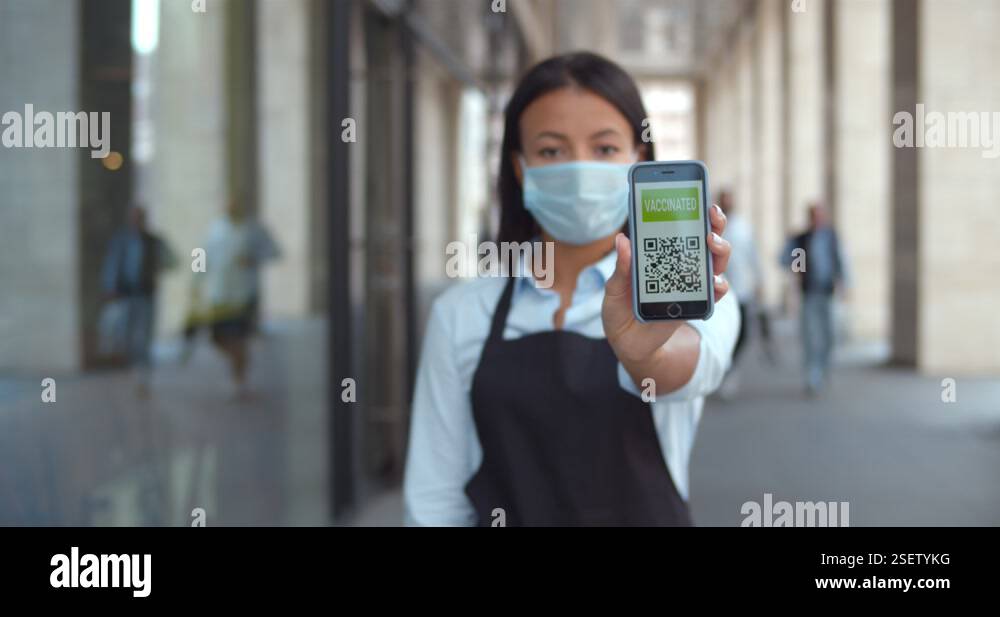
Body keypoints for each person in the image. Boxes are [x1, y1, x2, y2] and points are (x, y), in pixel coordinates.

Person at [403, 52, 740, 526]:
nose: (579, 169)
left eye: (604, 149)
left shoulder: (701, 297)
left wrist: (644, 355)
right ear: (520, 169)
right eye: (551, 151)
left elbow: (687, 367)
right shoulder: (461, 313)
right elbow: (434, 500)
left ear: (636, 160)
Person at [186, 197, 280, 399]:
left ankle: (239, 379)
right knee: (217, 337)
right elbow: (202, 254)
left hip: (243, 295)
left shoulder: (254, 229)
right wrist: (196, 280)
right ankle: (237, 365)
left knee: (239, 339)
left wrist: (253, 258)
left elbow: (273, 251)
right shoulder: (216, 229)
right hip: (220, 294)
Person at [100, 205, 177, 397]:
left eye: (139, 217)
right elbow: (112, 264)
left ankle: (143, 378)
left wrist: (157, 267)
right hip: (126, 295)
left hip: (146, 295)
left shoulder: (154, 242)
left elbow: (172, 261)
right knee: (123, 334)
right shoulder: (121, 240)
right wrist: (110, 287)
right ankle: (130, 366)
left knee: (144, 336)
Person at [780, 202, 849, 396]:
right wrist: (796, 260)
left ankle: (824, 367)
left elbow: (840, 260)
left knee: (829, 335)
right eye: (814, 215)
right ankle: (812, 374)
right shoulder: (802, 239)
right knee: (810, 336)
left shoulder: (831, 236)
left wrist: (843, 282)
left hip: (828, 293)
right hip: (809, 293)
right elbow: (789, 262)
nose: (818, 219)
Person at [717, 190, 762, 398]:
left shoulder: (743, 227)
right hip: (719, 290)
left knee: (743, 333)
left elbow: (753, 254)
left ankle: (730, 366)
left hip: (741, 289)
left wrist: (759, 281)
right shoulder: (709, 225)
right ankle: (722, 370)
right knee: (722, 332)